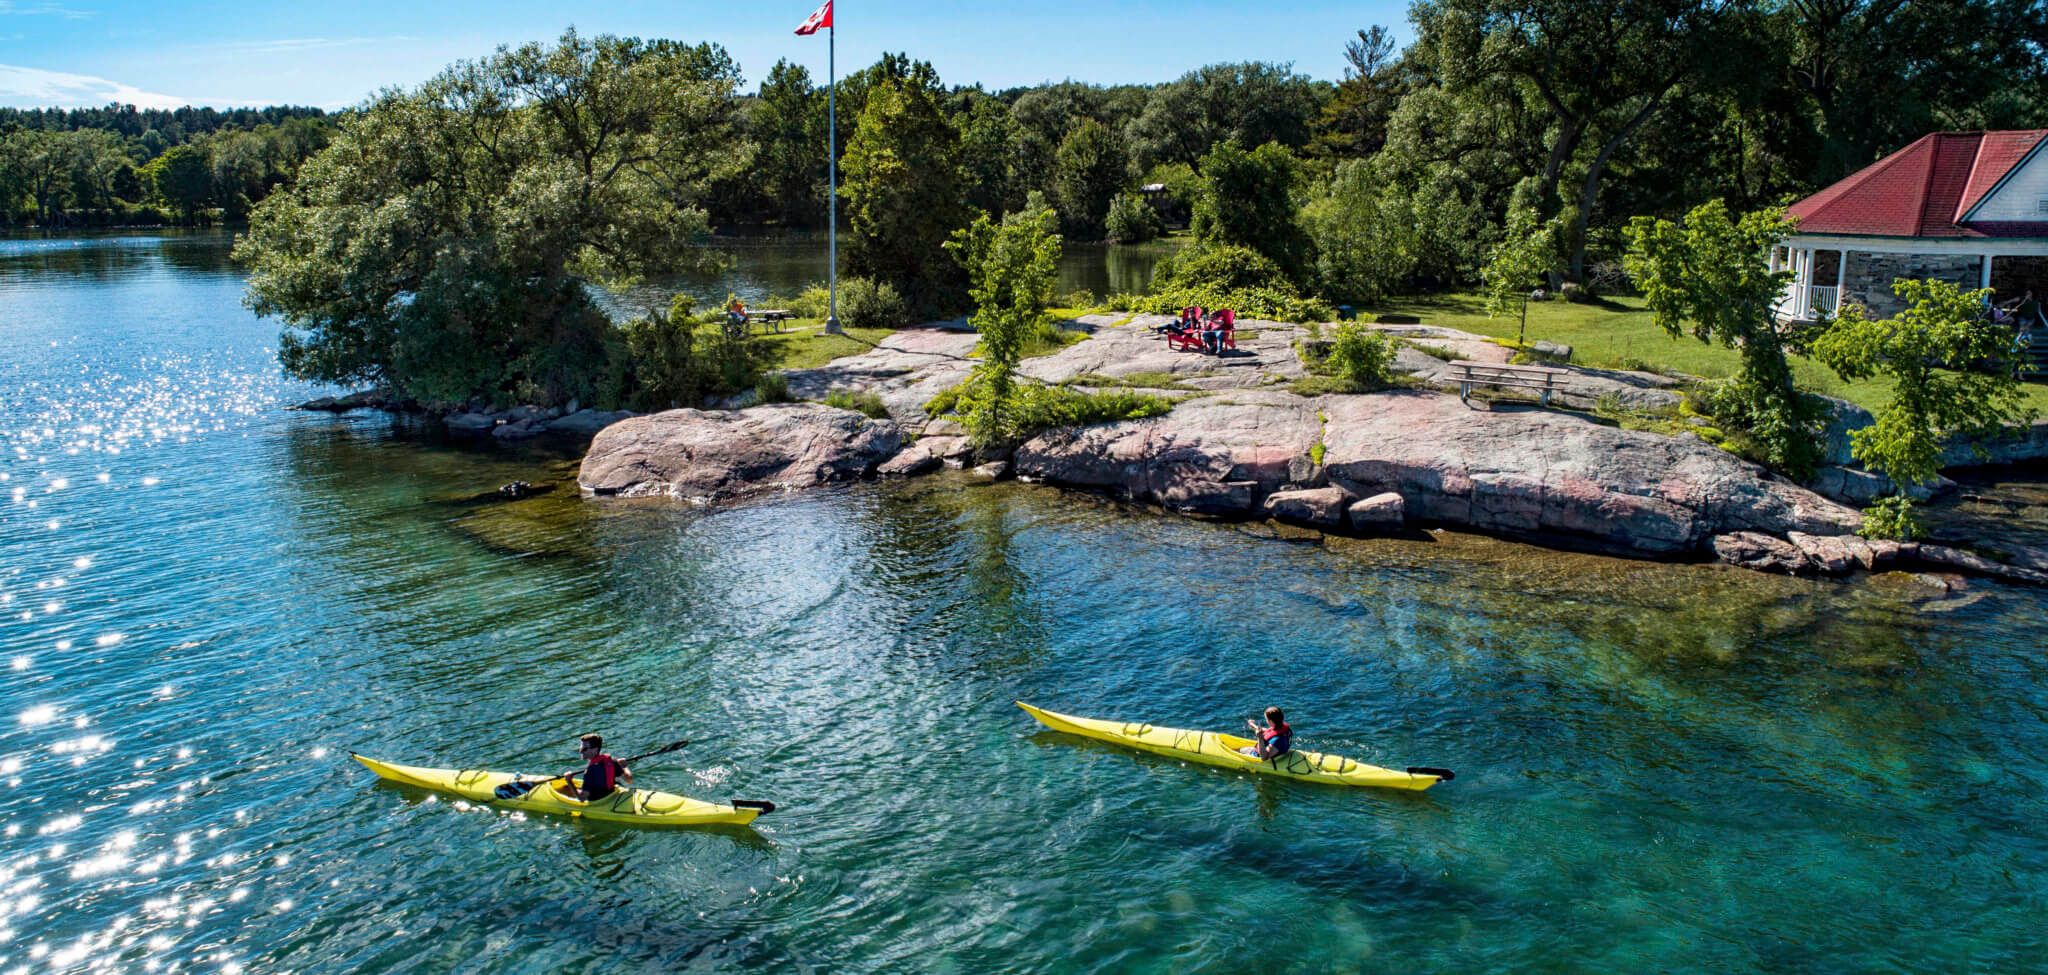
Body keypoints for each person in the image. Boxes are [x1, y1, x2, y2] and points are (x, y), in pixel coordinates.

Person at [566, 733, 633, 801]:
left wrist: (569, 781)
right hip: (611, 795)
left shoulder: (590, 771)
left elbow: (582, 798)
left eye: (584, 749)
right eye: (580, 748)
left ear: (595, 750)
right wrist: (624, 766)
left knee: (571, 789)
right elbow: (629, 780)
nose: (581, 751)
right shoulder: (611, 761)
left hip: (598, 802)